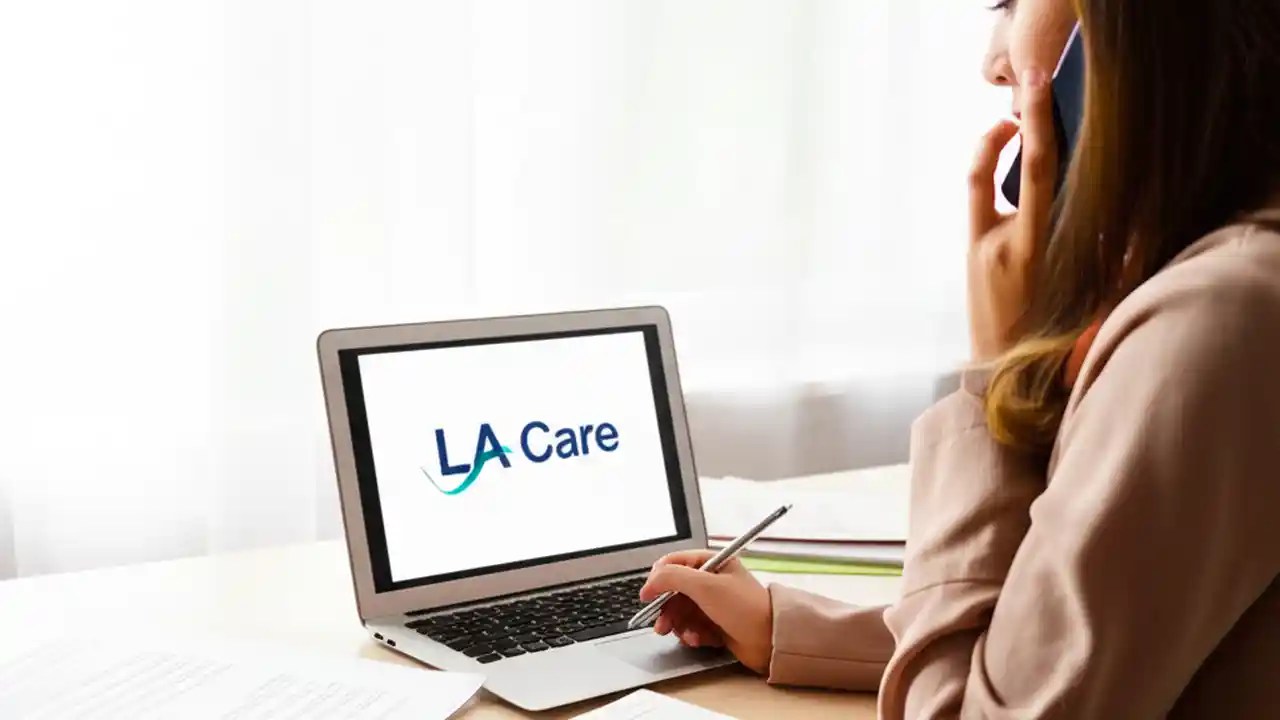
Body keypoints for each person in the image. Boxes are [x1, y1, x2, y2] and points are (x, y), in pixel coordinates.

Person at [639, 0, 1280, 716]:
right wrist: (787, 627)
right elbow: (1057, 642)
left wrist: (996, 379)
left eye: (1009, 3)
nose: (992, 61)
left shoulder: (1215, 321)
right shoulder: (1233, 286)